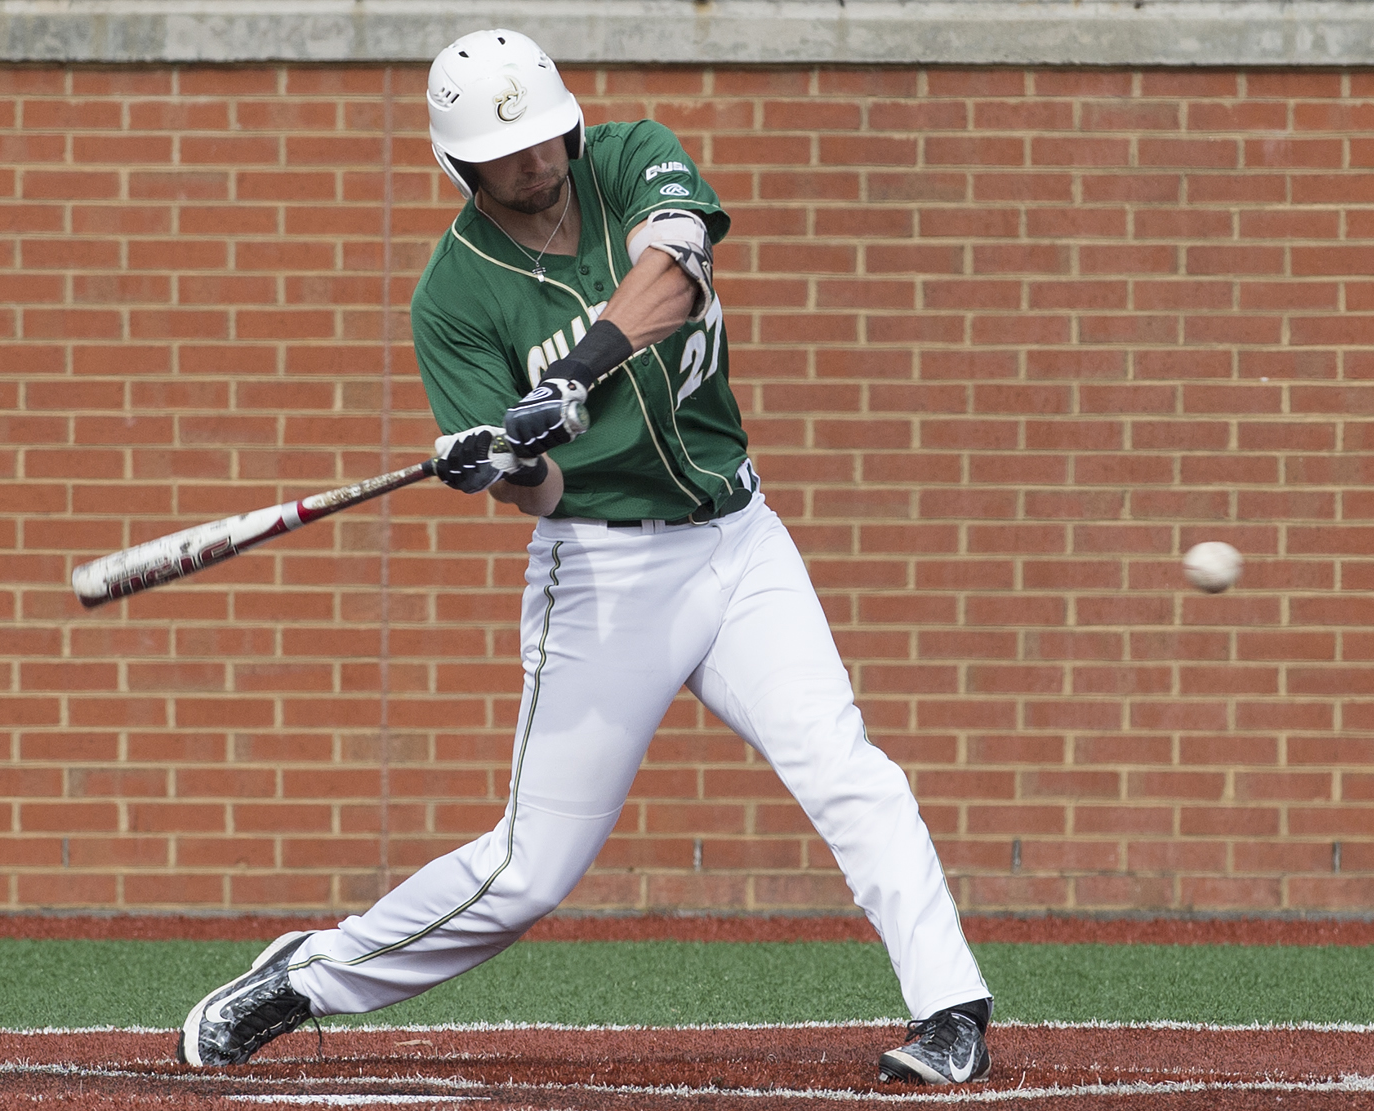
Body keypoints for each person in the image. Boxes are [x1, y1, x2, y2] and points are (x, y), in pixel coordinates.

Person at [175, 28, 992, 1086]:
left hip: (739, 538)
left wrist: (577, 372)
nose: (534, 160)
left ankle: (949, 1009)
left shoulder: (627, 157)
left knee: (844, 767)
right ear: (460, 167)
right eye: (502, 151)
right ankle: (306, 977)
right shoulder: (454, 299)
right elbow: (538, 495)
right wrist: (502, 463)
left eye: (542, 134)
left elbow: (678, 268)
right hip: (604, 571)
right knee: (528, 869)